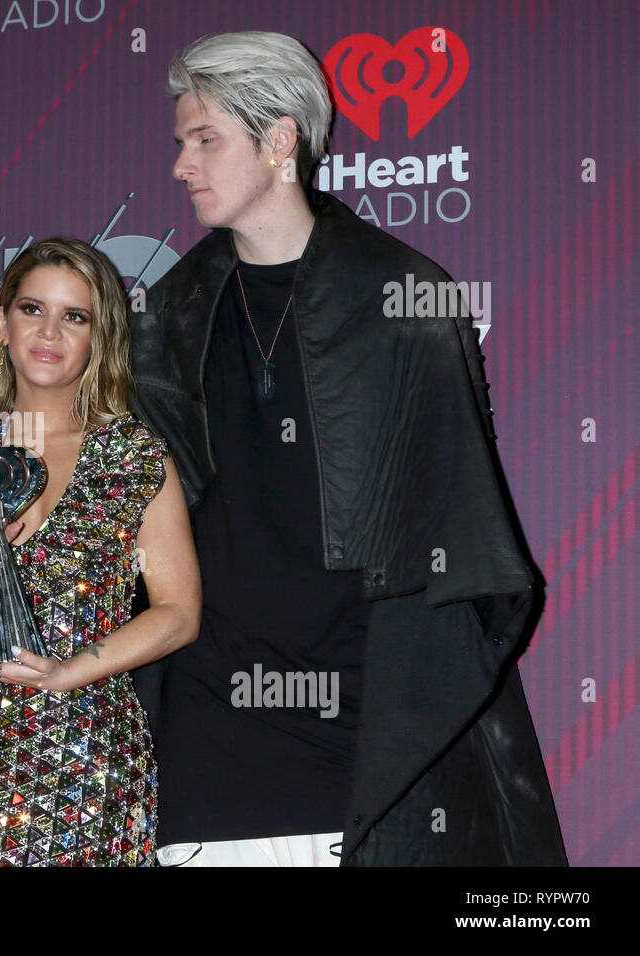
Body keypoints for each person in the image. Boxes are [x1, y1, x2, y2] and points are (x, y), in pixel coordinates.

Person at [130, 31, 567, 866]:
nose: (182, 164)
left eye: (205, 139)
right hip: (206, 749)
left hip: (370, 753)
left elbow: (467, 545)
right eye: (182, 141)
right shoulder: (166, 313)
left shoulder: (404, 297)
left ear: (281, 138)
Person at [0, 237, 200, 866]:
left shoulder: (134, 460)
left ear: (99, 337)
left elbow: (179, 615)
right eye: (33, 309)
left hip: (92, 749)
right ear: (1, 322)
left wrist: (67, 672)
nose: (50, 331)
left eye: (74, 316)